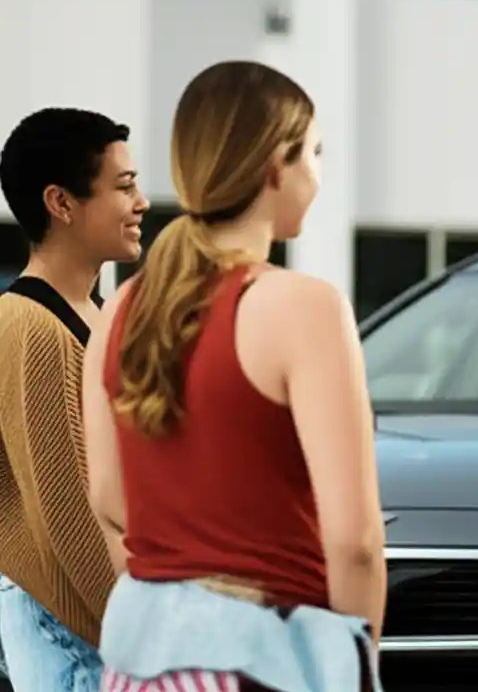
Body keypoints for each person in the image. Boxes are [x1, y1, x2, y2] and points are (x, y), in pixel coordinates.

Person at [79, 60, 386, 691]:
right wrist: (353, 664)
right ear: (277, 163)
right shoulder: (305, 307)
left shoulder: (119, 312)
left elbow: (109, 501)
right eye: (315, 153)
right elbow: (354, 542)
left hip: (139, 665)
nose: (319, 174)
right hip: (265, 659)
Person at [0, 107, 148, 691]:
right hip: (69, 622)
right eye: (124, 187)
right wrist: (146, 634)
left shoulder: (100, 312)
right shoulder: (28, 328)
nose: (141, 204)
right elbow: (65, 518)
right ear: (61, 203)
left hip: (101, 619)